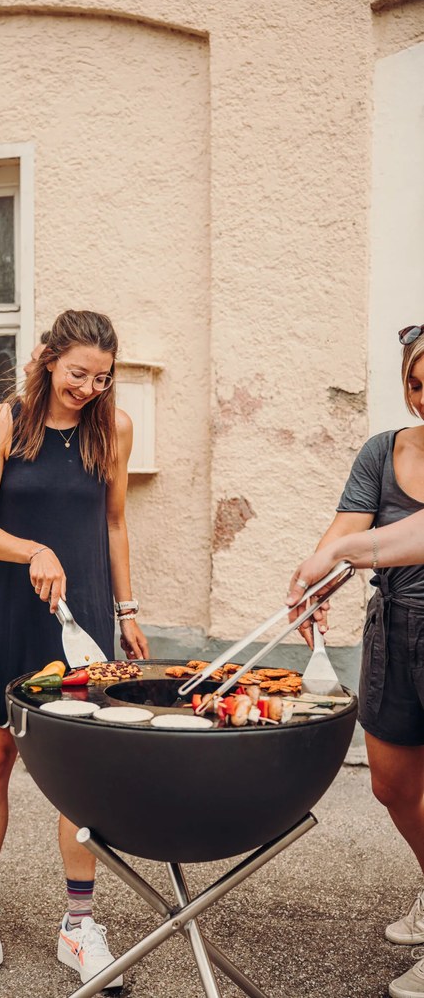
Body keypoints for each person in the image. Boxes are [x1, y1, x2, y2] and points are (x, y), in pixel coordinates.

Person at [0, 308, 149, 985]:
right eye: (76, 373)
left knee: (79, 767)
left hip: (84, 609)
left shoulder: (113, 427)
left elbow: (115, 520)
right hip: (10, 608)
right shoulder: (4, 421)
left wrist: (126, 609)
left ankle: (78, 925)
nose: (88, 388)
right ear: (45, 359)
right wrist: (33, 548)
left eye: (101, 377)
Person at [287, 323, 424, 998]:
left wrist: (342, 556)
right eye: (416, 383)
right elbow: (345, 533)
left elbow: (410, 535)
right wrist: (312, 583)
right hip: (392, 630)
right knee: (391, 784)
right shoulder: (382, 450)